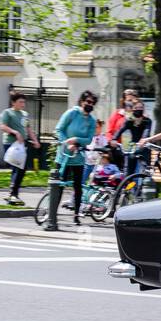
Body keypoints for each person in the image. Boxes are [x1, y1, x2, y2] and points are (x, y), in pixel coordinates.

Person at [56, 90, 99, 222]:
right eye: (88, 102)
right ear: (82, 102)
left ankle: (76, 215)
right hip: (64, 155)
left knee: (77, 186)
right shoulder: (72, 113)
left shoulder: (91, 121)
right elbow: (59, 129)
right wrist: (66, 142)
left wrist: (76, 140)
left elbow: (89, 139)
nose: (90, 105)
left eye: (92, 103)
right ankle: (52, 212)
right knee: (58, 185)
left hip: (78, 156)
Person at [0, 91, 38, 206]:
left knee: (20, 168)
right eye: (20, 102)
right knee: (18, 167)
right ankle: (13, 194)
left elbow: (28, 129)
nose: (23, 104)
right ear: (13, 102)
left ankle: (13, 194)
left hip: (22, 145)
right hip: (11, 144)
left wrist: (35, 140)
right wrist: (14, 132)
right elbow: (2, 126)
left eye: (24, 102)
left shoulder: (24, 114)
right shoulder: (7, 113)